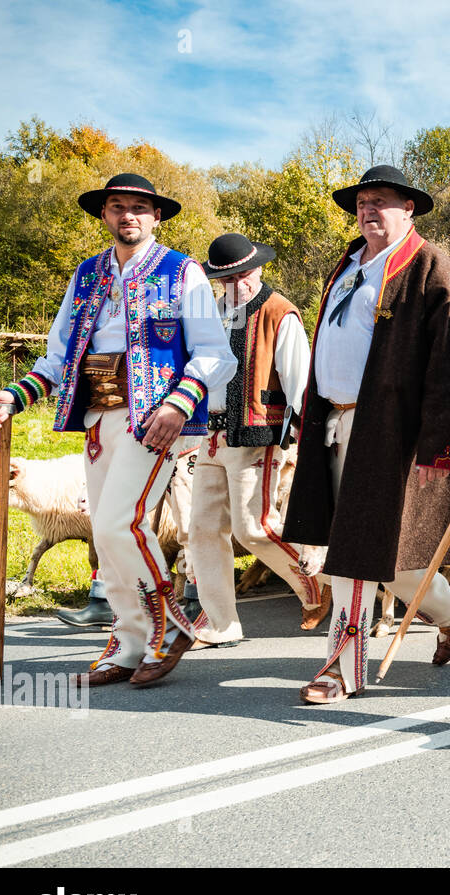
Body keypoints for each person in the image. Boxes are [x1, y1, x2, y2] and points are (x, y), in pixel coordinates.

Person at [0, 173, 235, 687]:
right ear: (104, 215)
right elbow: (59, 355)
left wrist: (179, 402)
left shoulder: (181, 273)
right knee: (105, 528)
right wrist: (16, 395)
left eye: (139, 208)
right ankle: (129, 638)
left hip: (156, 417)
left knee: (122, 523)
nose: (128, 216)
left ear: (157, 216)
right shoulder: (87, 274)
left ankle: (166, 629)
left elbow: (216, 352)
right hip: (99, 416)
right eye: (117, 207)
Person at [283, 165, 450, 704]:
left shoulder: (430, 267)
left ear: (409, 208)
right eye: (362, 202)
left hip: (391, 432)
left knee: (354, 552)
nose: (368, 210)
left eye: (383, 202)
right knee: (387, 556)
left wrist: (438, 445)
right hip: (333, 422)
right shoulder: (346, 265)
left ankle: (341, 668)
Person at [187, 232, 330, 650]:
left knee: (254, 528)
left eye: (243, 274)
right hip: (210, 434)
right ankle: (221, 623)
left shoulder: (280, 312)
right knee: (203, 529)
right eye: (227, 278)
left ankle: (313, 585)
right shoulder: (212, 312)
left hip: (257, 433)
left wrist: (302, 434)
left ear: (259, 269)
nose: (237, 284)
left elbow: (299, 379)